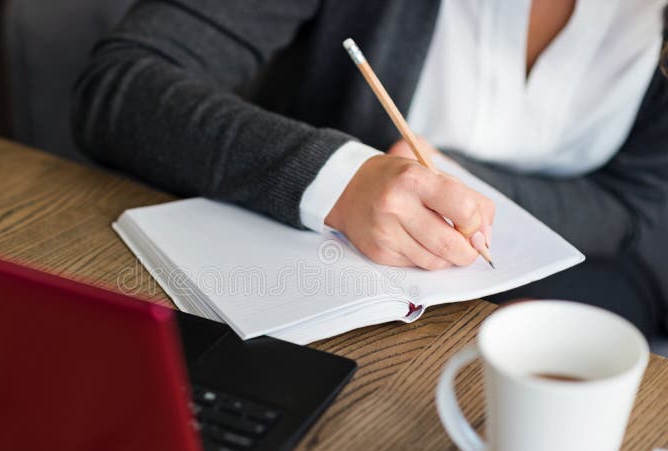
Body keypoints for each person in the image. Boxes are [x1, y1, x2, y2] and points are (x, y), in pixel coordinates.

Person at [72, 1, 668, 336]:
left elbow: (642, 214)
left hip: (548, 329)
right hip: (325, 320)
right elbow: (123, 87)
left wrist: (458, 180)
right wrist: (339, 181)